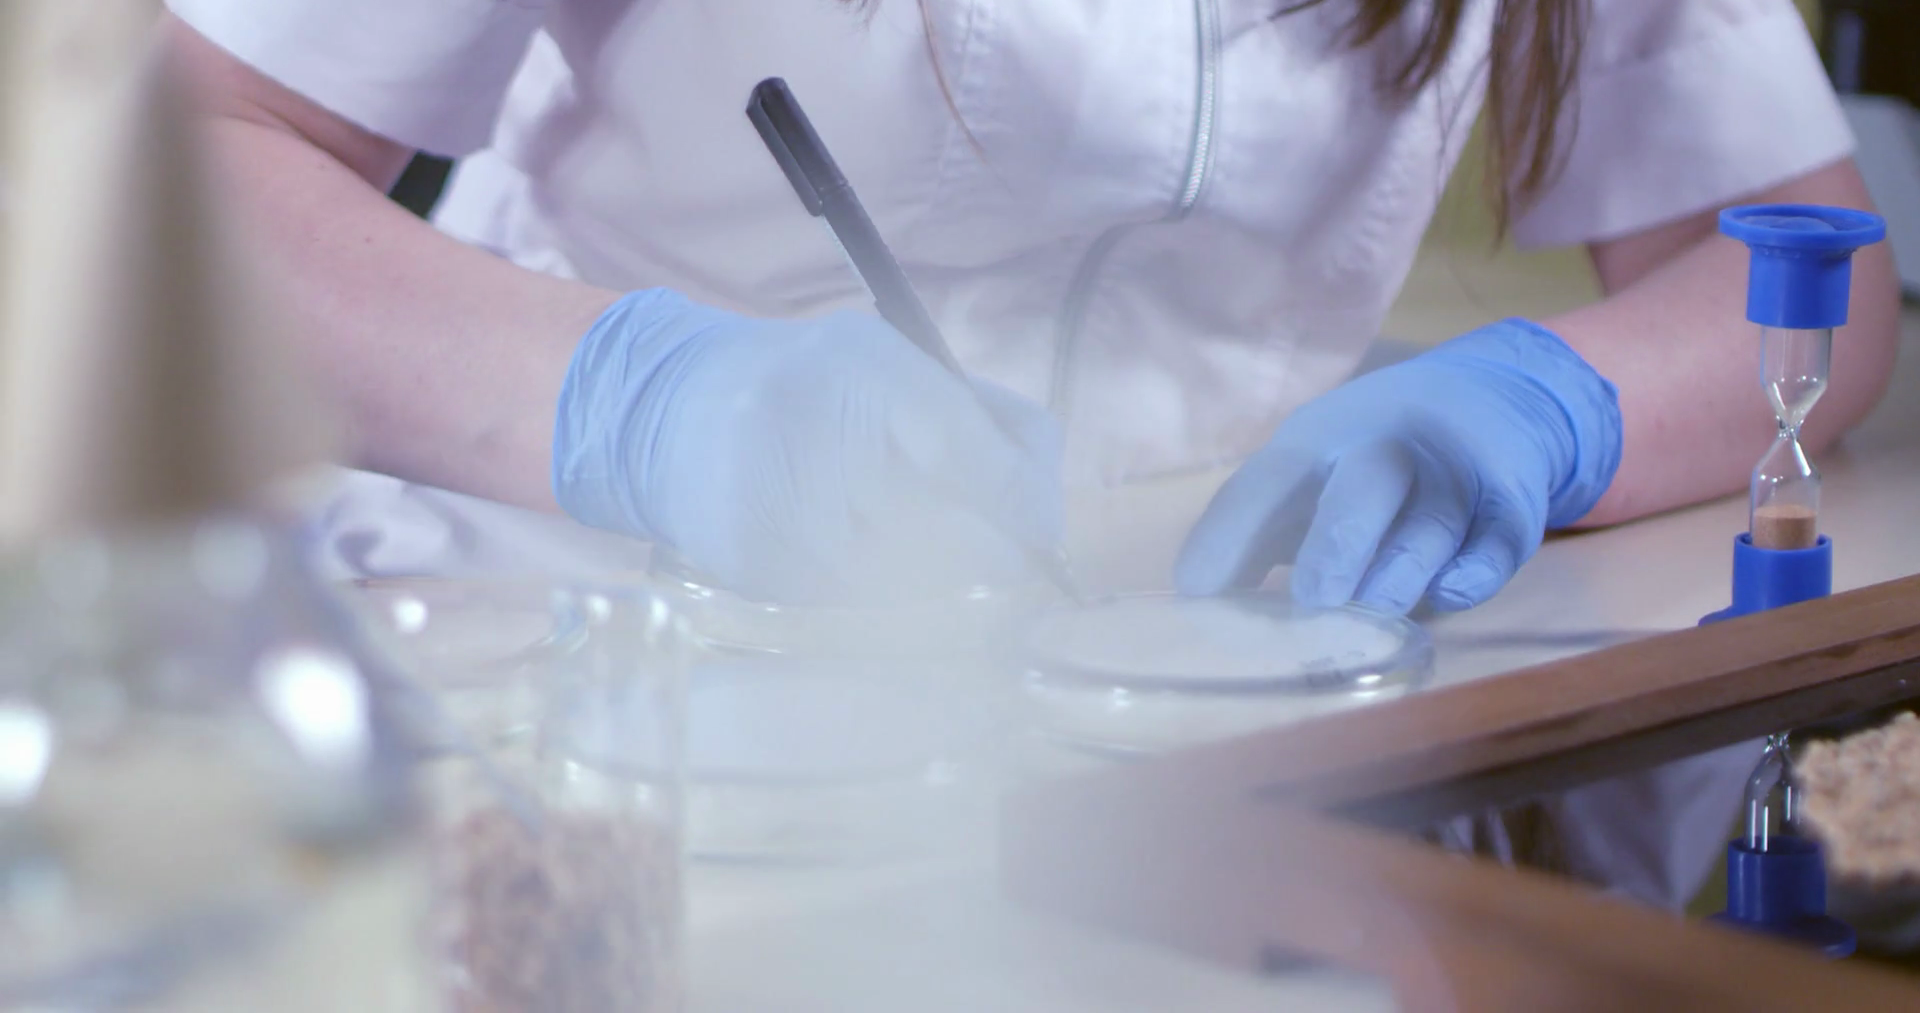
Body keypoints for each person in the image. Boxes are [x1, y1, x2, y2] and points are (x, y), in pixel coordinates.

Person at [162, 0, 1898, 907]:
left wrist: (1548, 402)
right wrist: (646, 401)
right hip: (593, 680)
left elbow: (1796, 259)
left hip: (1196, 704)